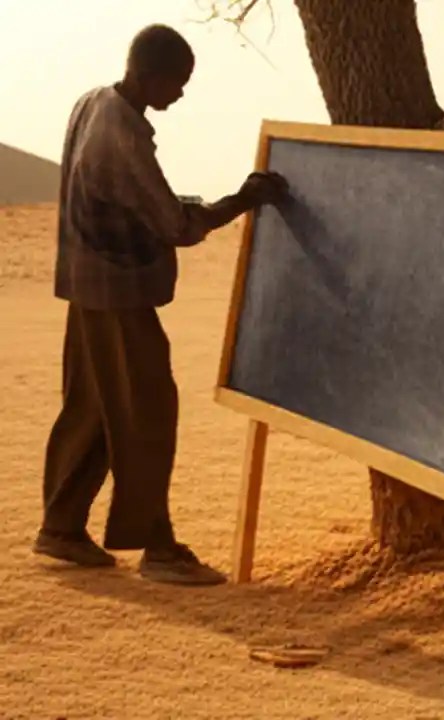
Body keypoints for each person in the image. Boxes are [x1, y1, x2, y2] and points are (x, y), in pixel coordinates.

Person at [33, 24, 288, 585]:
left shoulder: (92, 102)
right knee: (146, 410)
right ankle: (159, 547)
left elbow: (140, 201)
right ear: (147, 76)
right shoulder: (121, 133)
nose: (180, 95)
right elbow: (175, 225)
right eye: (177, 84)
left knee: (96, 404)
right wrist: (243, 200)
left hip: (86, 286)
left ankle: (62, 527)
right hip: (117, 291)